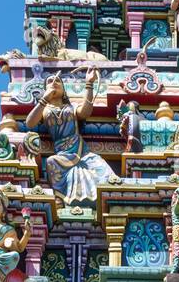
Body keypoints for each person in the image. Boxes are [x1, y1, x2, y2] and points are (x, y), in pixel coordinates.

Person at [26, 70, 115, 205]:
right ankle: (59, 197)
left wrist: (89, 84)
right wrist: (45, 99)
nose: (54, 83)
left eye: (57, 81)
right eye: (50, 82)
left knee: (100, 168)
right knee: (51, 162)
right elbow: (30, 123)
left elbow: (85, 112)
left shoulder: (71, 107)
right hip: (61, 152)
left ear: (63, 89)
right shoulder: (44, 109)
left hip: (80, 151)